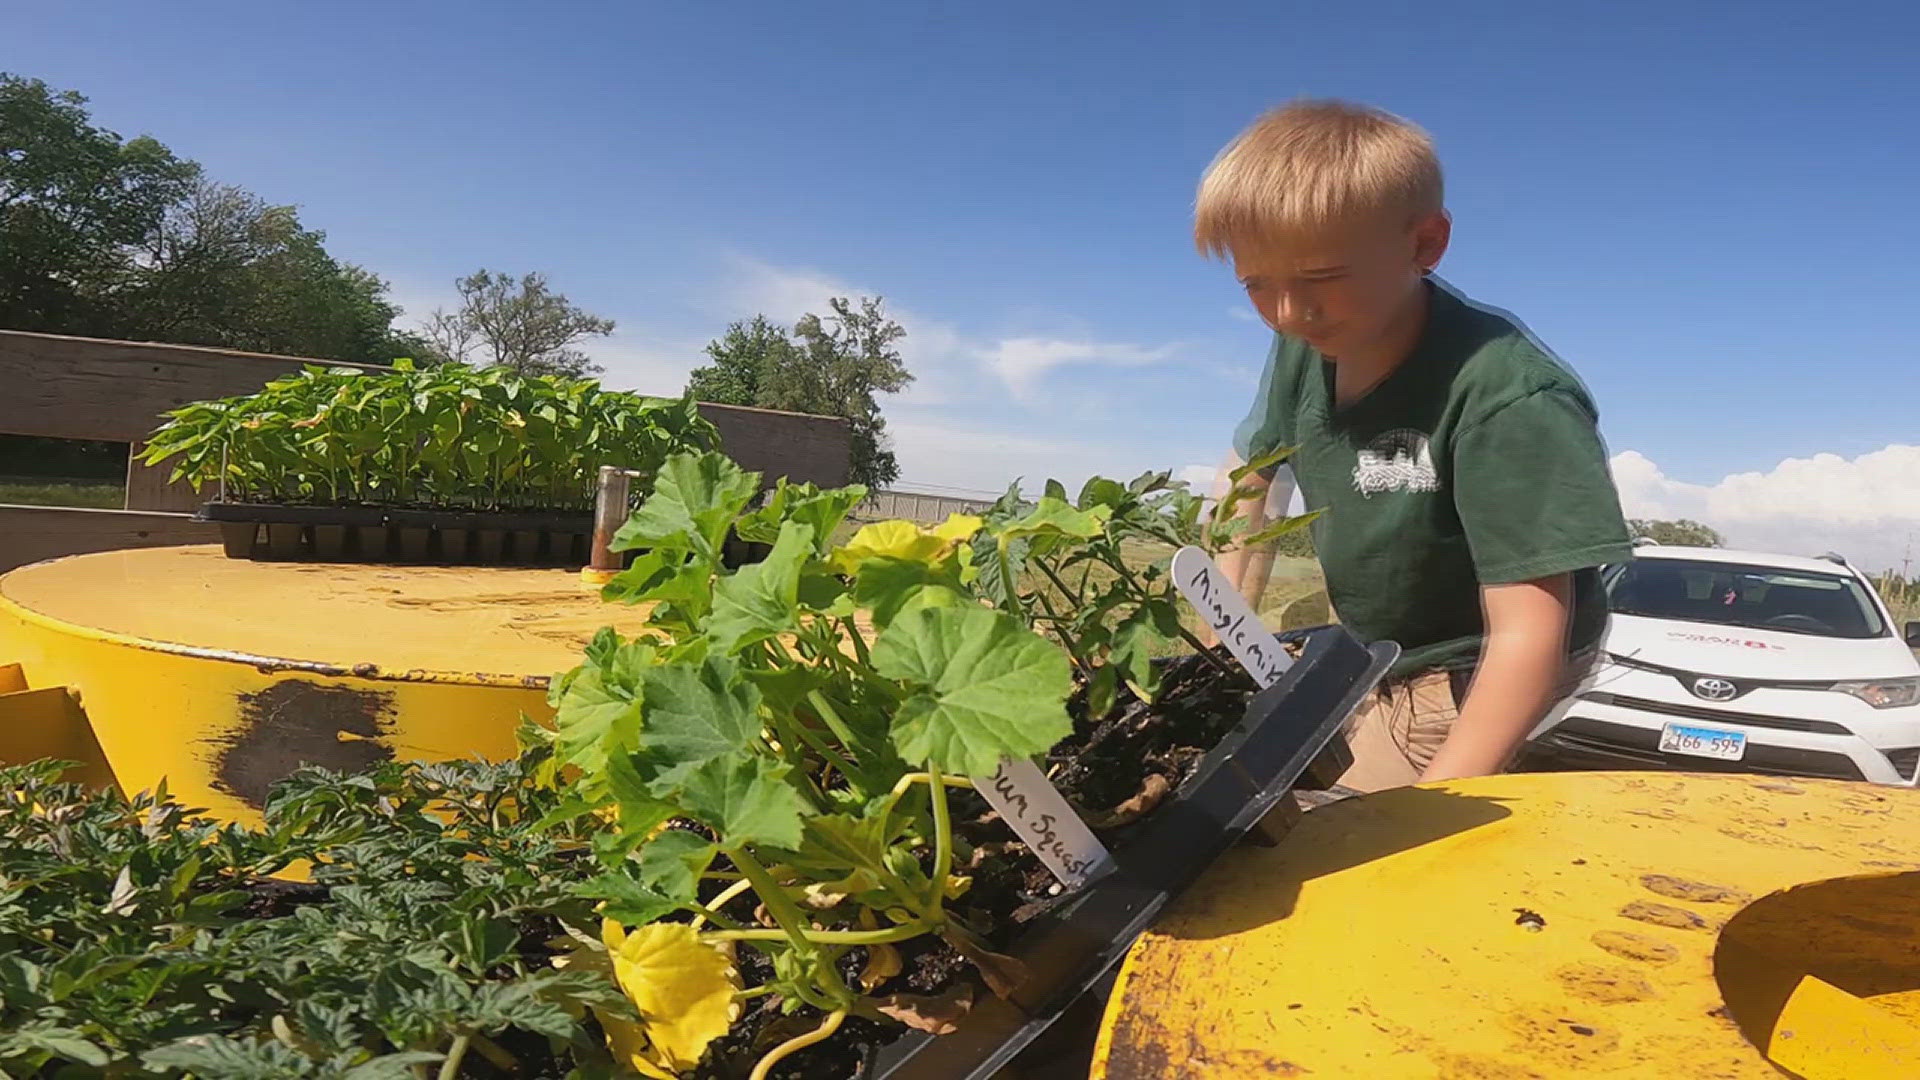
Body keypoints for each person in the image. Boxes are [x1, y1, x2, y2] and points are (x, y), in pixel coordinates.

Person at [1199, 98, 1632, 792]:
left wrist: (1432, 810)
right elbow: (1251, 485)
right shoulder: (1308, 341)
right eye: (1258, 285)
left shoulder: (1506, 394)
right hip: (1381, 645)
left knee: (1346, 842)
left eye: (1320, 279)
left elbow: (1531, 636)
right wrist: (1218, 645)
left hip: (1474, 658)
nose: (1287, 313)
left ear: (1425, 244)